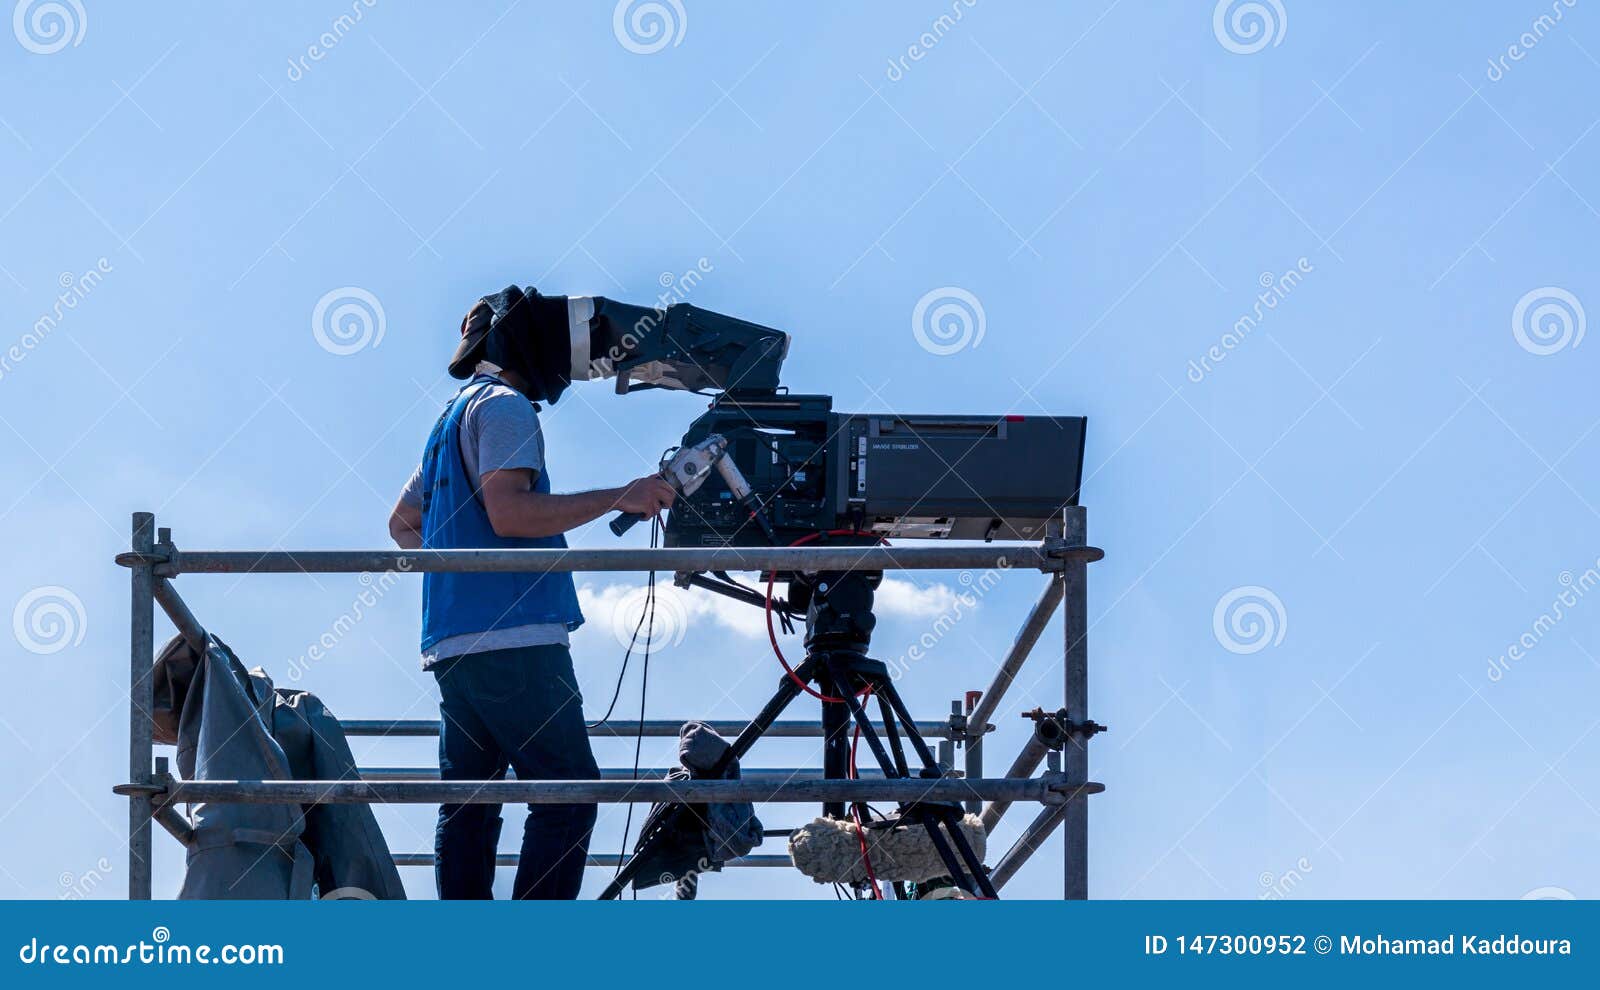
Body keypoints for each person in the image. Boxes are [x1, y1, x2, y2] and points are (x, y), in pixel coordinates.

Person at [388, 294, 675, 899]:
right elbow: (511, 513)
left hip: (450, 645)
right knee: (569, 794)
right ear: (527, 344)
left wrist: (465, 563)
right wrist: (619, 495)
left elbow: (403, 523)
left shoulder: (449, 420)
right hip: (515, 640)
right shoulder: (507, 409)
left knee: (470, 803)